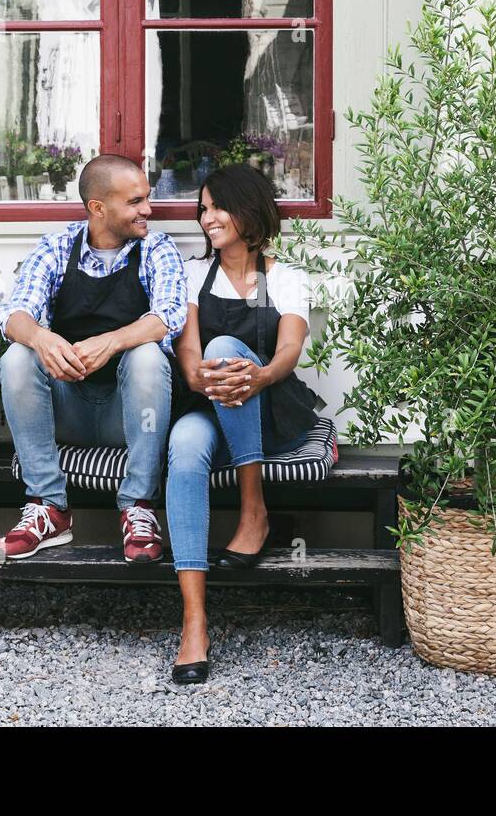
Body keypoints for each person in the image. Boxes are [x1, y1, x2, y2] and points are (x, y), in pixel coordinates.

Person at [164, 164, 321, 684]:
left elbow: (289, 352)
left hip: (270, 408)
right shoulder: (192, 275)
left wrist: (257, 377)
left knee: (226, 348)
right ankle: (194, 621)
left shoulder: (283, 277)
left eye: (218, 207)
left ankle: (254, 510)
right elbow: (188, 356)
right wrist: (201, 376)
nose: (207, 218)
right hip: (208, 404)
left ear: (249, 211)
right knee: (185, 445)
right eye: (202, 209)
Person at [0, 154, 187, 563]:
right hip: (69, 412)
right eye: (135, 202)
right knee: (16, 357)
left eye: (146, 198)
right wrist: (42, 338)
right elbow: (13, 313)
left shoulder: (156, 247)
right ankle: (49, 507)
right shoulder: (58, 246)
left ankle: (139, 508)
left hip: (128, 415)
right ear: (98, 208)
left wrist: (113, 341)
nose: (147, 210)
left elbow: (170, 316)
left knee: (148, 354)